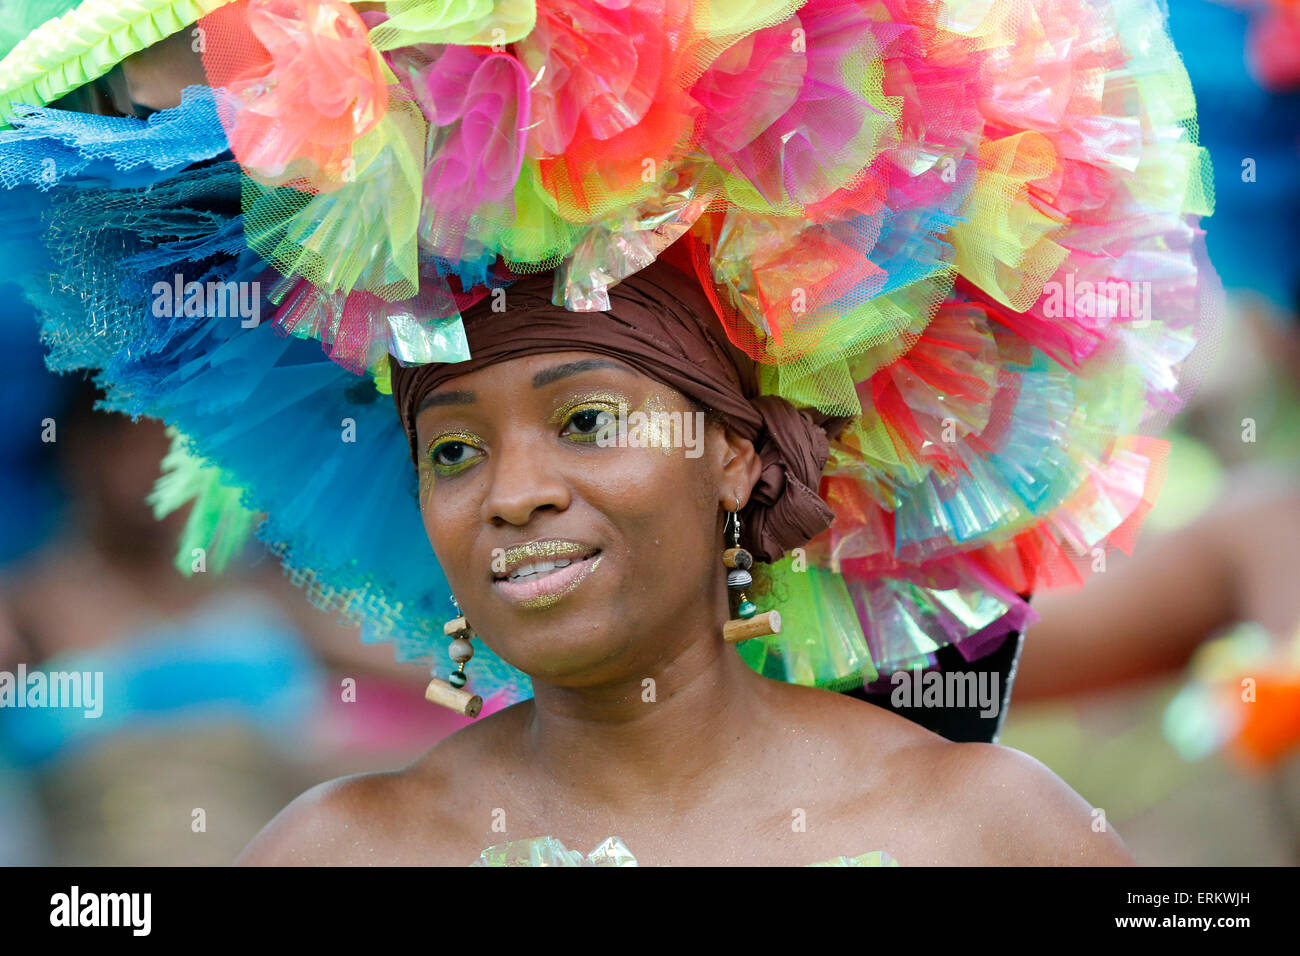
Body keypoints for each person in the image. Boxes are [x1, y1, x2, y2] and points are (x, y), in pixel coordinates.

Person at [0, 0, 1219, 865]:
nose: (513, 492)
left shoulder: (988, 831)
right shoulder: (341, 854)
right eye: (454, 449)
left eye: (585, 418)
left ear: (738, 454)